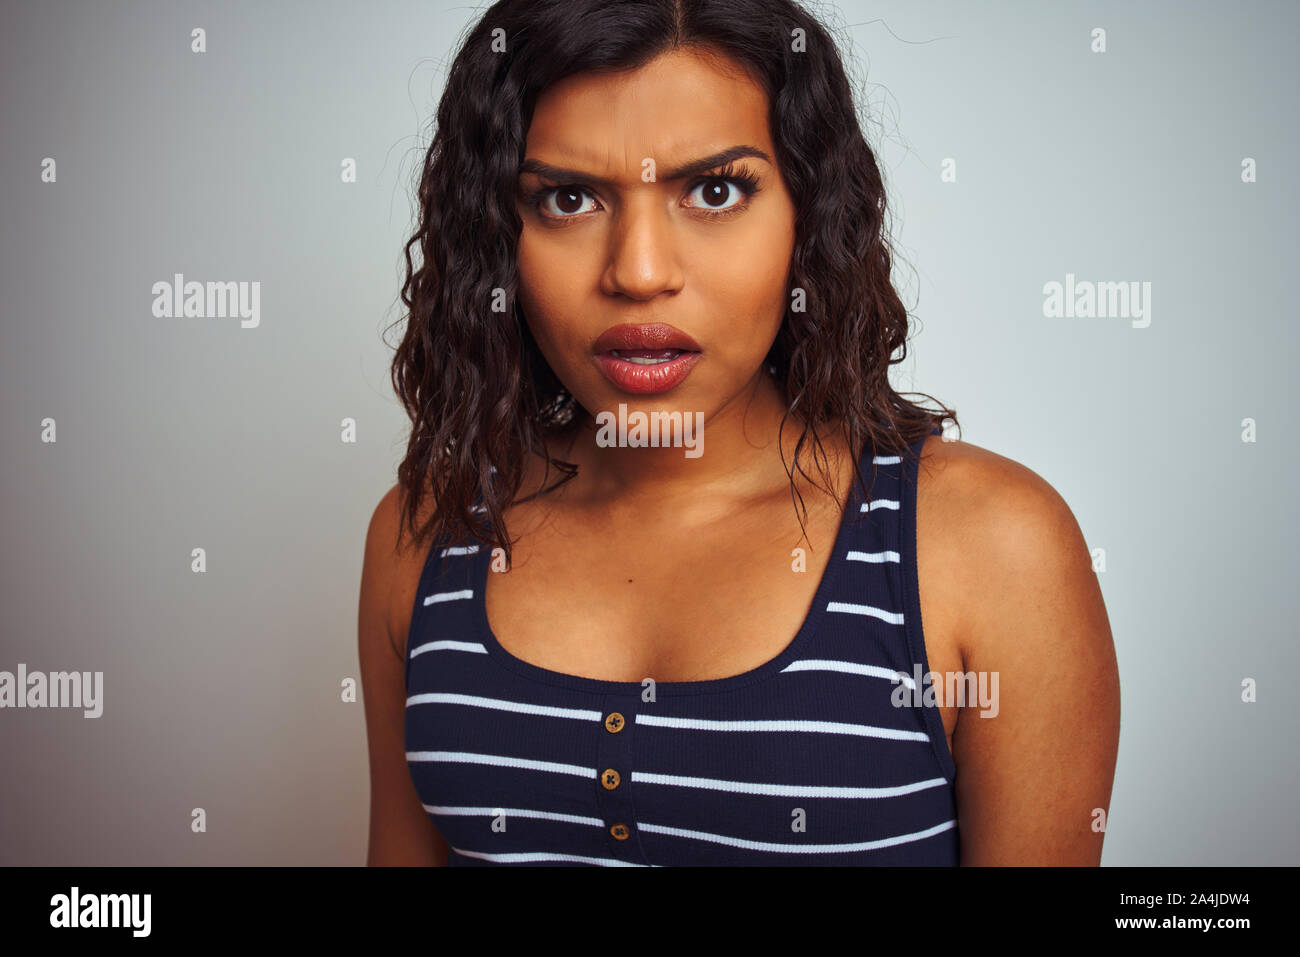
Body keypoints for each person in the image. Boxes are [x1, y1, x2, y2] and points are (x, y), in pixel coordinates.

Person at [359, 0, 1120, 866]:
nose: (639, 272)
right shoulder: (427, 531)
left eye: (715, 190)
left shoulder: (990, 546)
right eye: (568, 198)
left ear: (808, 214)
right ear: (497, 235)